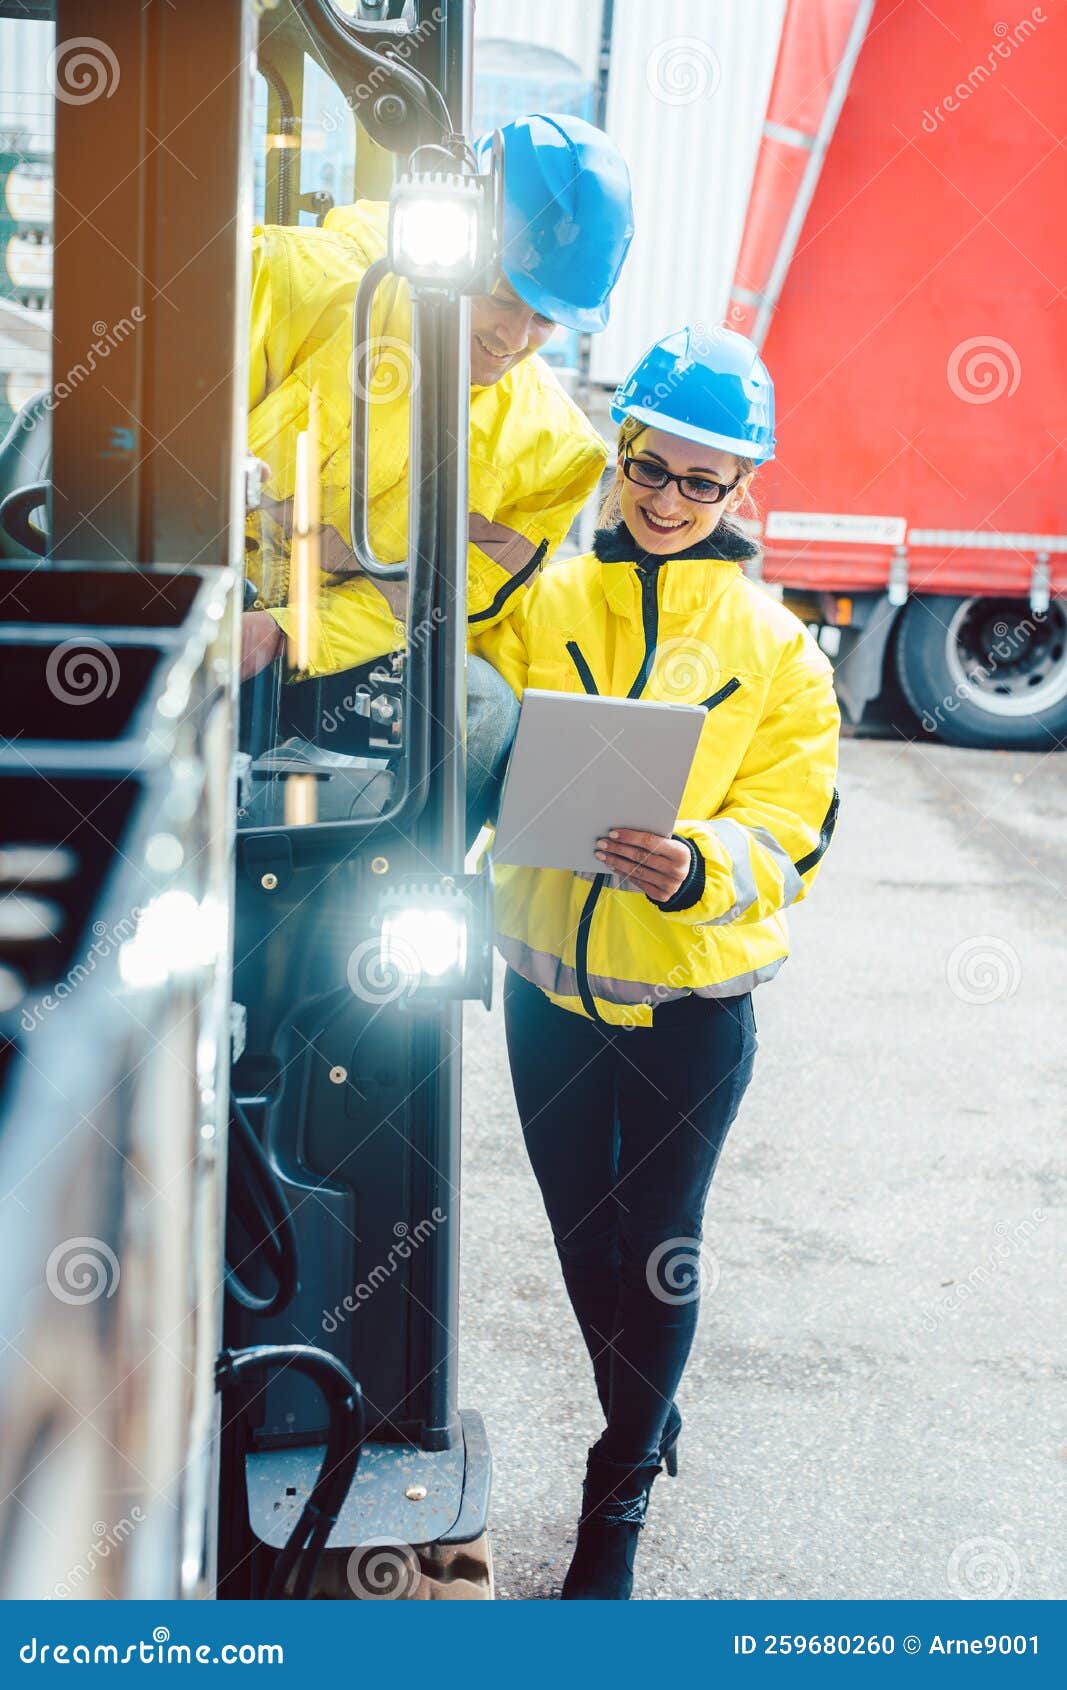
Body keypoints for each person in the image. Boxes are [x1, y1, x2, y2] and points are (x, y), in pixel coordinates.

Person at [478, 326, 841, 1598]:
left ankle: (617, 1486)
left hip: (691, 1005)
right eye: (649, 467)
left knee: (655, 1246)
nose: (669, 500)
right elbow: (472, 725)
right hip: (543, 995)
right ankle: (646, 1411)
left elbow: (793, 827)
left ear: (740, 488)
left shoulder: (777, 649)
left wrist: (695, 864)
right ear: (619, 450)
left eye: (702, 481)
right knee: (583, 1244)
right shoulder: (545, 601)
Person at [239, 113, 633, 836]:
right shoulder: (291, 282)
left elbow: (438, 605)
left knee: (480, 706)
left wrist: (286, 631)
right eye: (502, 296)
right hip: (199, 597)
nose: (512, 338)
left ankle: (397, 888)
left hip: (336, 647)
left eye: (544, 319)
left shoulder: (552, 452)